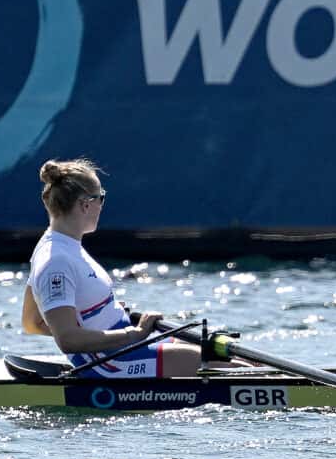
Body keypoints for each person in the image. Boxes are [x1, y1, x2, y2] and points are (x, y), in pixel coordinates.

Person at [21, 158, 218, 377]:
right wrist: (132, 334)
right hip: (109, 364)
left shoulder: (62, 246)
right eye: (101, 198)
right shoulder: (56, 260)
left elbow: (33, 322)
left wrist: (100, 315)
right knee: (229, 368)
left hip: (120, 348)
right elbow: (67, 339)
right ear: (85, 204)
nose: (102, 206)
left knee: (221, 355)